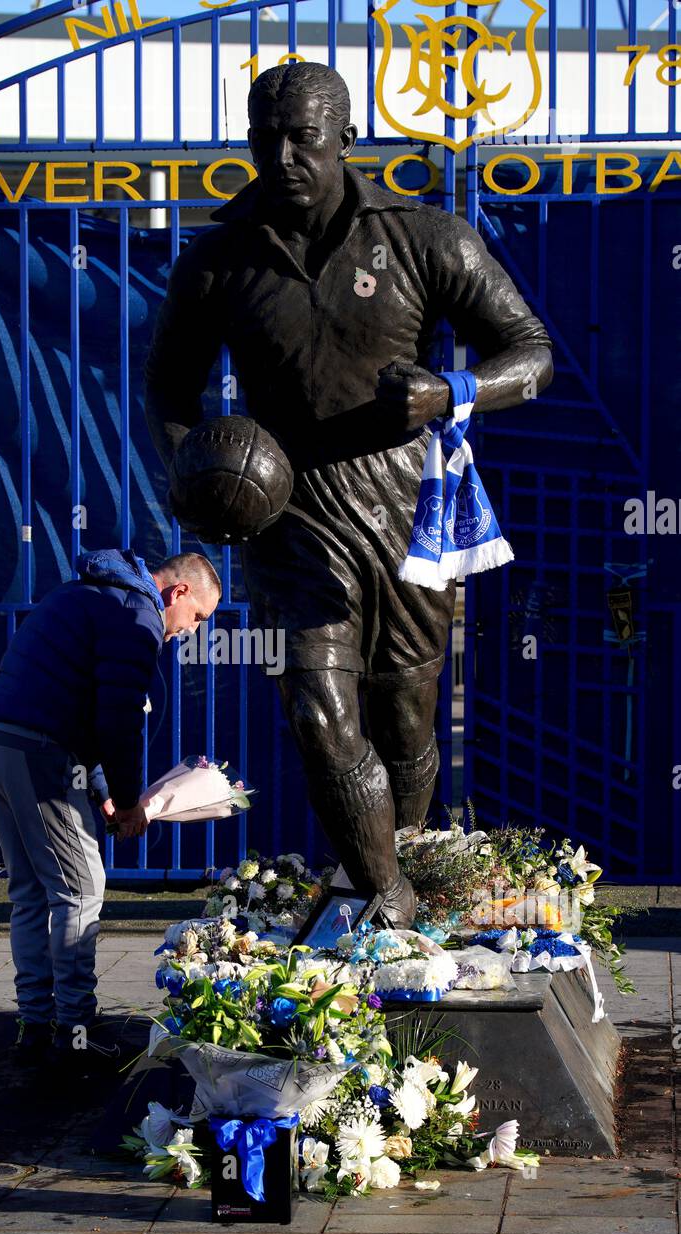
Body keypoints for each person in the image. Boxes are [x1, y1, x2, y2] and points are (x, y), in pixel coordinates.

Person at [144, 61, 553, 929]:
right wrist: (197, 478)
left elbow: (531, 351)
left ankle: (399, 875)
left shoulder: (425, 238)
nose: (284, 155)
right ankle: (384, 894)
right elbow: (169, 395)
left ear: (346, 141)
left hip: (410, 516)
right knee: (318, 707)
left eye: (305, 136)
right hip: (288, 515)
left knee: (405, 716)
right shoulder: (218, 258)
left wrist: (451, 393)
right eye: (266, 138)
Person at [0, 548, 221, 1068]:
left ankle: (36, 1024)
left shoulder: (89, 593)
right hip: (38, 749)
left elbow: (80, 699)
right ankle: (76, 1028)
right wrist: (128, 803)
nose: (191, 630)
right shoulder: (137, 615)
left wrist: (101, 787)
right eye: (197, 617)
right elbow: (117, 719)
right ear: (177, 592)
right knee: (81, 887)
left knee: (32, 890)